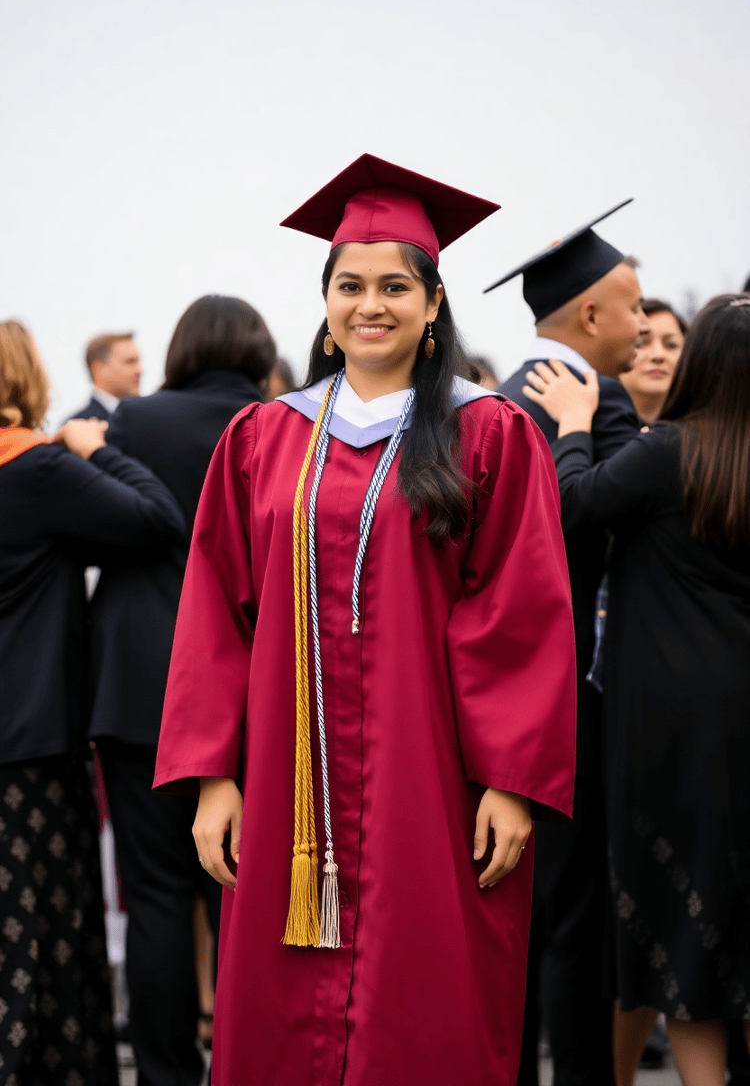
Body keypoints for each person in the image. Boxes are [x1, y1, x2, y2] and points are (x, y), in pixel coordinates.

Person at [153, 154, 577, 1086]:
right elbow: (217, 612)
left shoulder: (490, 435)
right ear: (326, 301)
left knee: (427, 1009)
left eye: (395, 286)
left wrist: (509, 781)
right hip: (287, 787)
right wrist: (212, 776)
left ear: (433, 306)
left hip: (431, 788)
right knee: (279, 1018)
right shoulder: (263, 440)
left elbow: (520, 614)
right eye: (351, 286)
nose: (370, 304)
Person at [522, 293, 750, 1086]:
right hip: (740, 708)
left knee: (676, 921)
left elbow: (574, 505)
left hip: (666, 723)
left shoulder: (669, 452)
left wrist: (576, 424)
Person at [89, 293, 276, 1086]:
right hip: (253, 687)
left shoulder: (135, 422)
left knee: (158, 894)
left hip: (141, 688)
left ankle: (167, 1073)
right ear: (259, 348)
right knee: (247, 894)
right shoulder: (280, 426)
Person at [488, 203, 648, 1086]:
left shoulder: (497, 399)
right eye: (634, 306)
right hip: (576, 696)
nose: (642, 323)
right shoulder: (594, 396)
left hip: (496, 691)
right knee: (575, 917)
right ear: (591, 315)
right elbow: (602, 509)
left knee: (515, 910)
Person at [0, 320, 184, 1084]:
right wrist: (96, 449)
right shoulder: (35, 469)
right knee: (42, 933)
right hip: (30, 744)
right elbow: (155, 520)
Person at [619, 298, 688, 426]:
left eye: (671, 345)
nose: (658, 355)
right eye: (640, 342)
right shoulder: (584, 428)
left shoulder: (708, 434)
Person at [68, 331, 143, 420]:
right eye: (129, 362)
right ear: (98, 369)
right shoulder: (79, 425)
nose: (140, 370)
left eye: (138, 361)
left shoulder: (147, 417)